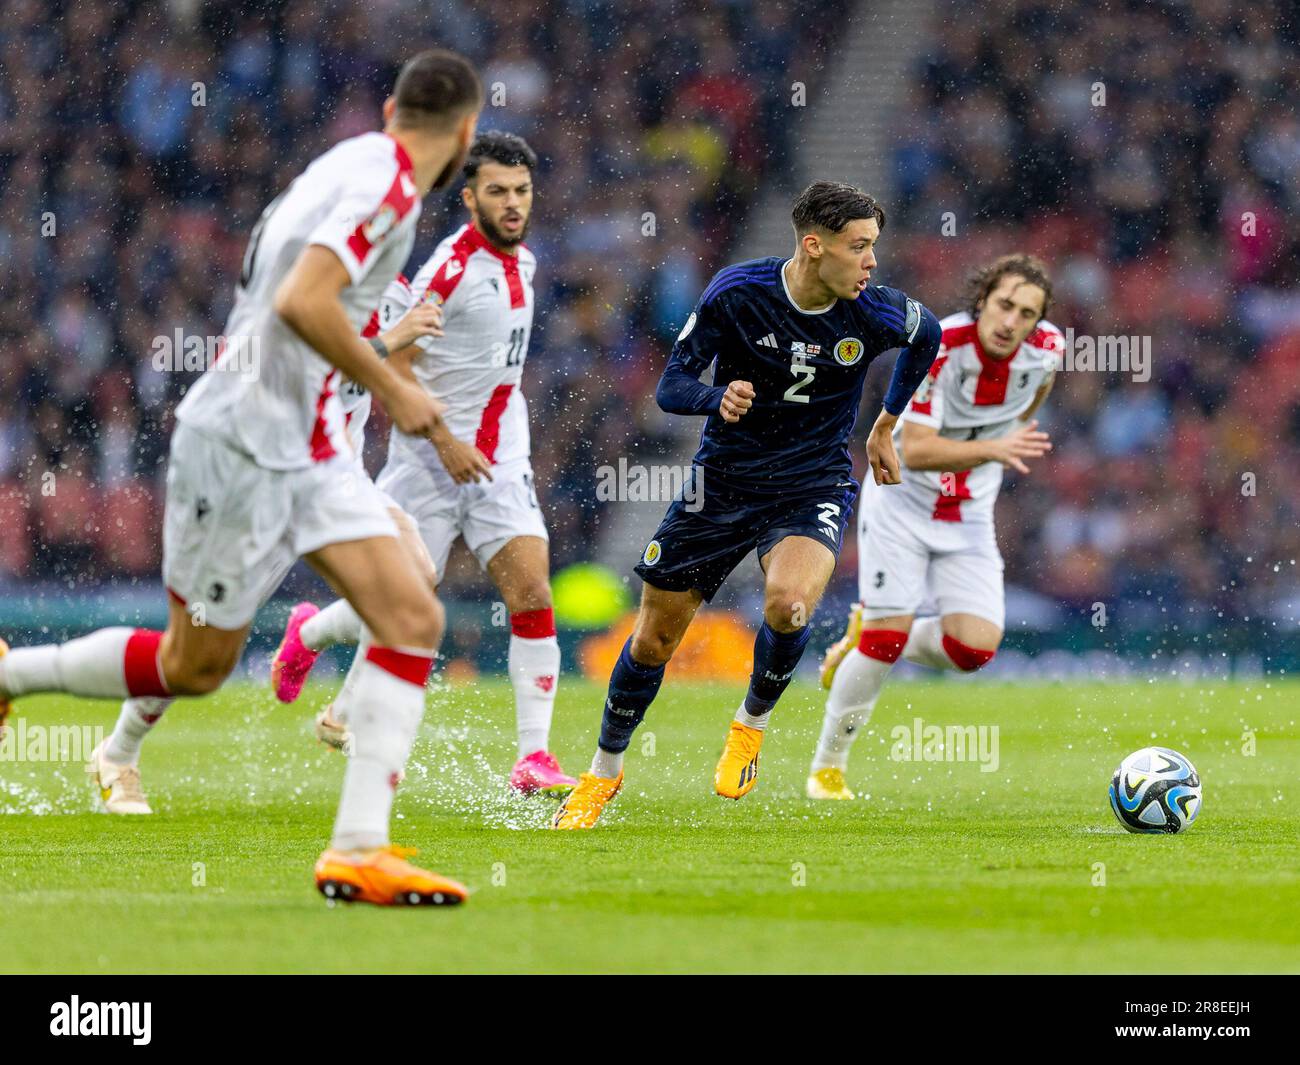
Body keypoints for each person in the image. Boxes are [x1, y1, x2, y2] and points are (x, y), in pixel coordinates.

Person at [0, 49, 484, 906]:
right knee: (195, 665)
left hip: (313, 449)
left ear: (387, 108)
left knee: (412, 611)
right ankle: (13, 679)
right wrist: (395, 389)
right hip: (243, 447)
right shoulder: (391, 192)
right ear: (467, 131)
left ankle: (358, 850)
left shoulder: (346, 163)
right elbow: (302, 302)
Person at [551, 181, 942, 830]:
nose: (872, 262)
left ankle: (750, 726)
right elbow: (673, 384)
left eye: (874, 246)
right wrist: (717, 399)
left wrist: (885, 423)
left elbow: (925, 337)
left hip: (810, 483)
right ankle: (603, 771)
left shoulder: (876, 311)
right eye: (860, 247)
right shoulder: (738, 292)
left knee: (789, 605)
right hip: (721, 485)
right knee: (653, 638)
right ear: (815, 247)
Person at [270, 131, 578, 796]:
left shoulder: (525, 262)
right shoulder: (448, 269)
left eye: (522, 190)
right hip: (429, 459)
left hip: (501, 456)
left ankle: (534, 757)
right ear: (469, 198)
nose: (513, 203)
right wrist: (444, 440)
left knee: (532, 592)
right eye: (497, 191)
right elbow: (396, 367)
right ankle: (314, 635)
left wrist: (487, 440)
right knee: (405, 594)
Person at [809, 254, 1060, 799]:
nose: (1012, 321)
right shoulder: (941, 345)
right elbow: (917, 450)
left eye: (1026, 313)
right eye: (1004, 305)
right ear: (982, 301)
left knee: (973, 651)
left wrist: (996, 446)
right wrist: (995, 448)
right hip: (902, 501)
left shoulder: (1048, 351)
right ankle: (827, 769)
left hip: (968, 515)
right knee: (884, 640)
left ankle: (868, 632)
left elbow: (1031, 403)